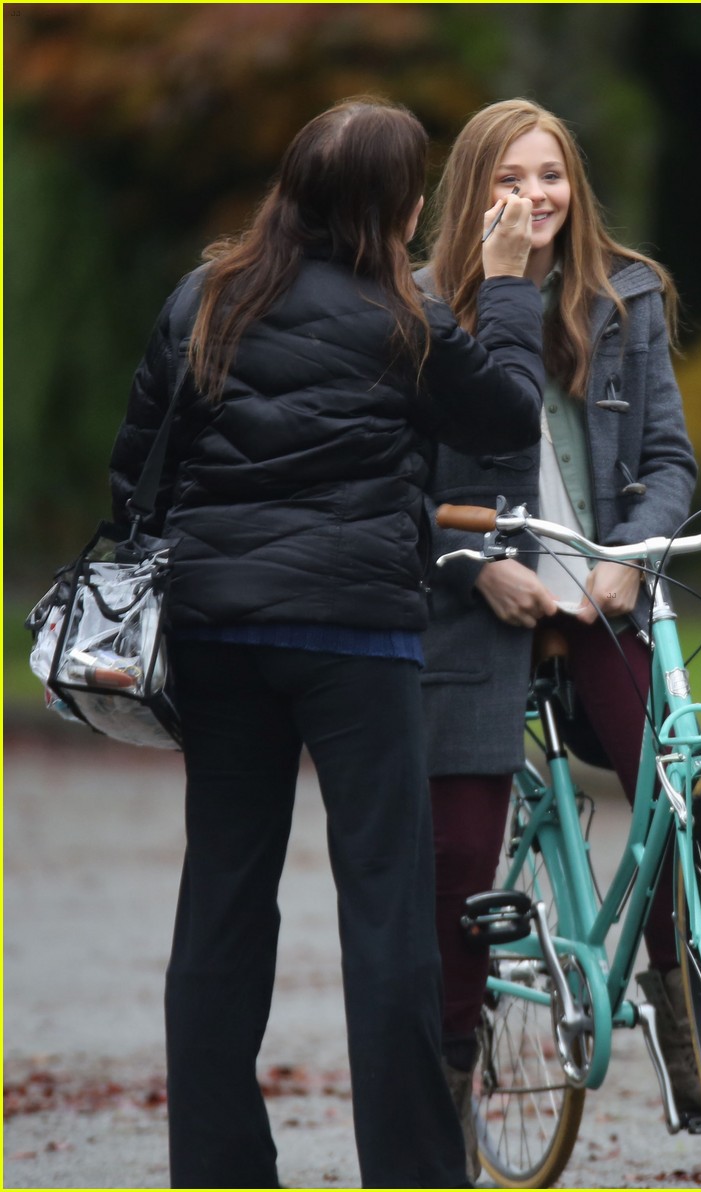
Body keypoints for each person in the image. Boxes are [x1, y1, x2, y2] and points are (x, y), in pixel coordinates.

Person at [108, 96, 544, 1189]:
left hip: (217, 633)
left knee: (222, 894)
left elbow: (137, 466)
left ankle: (216, 1170)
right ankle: (412, 1173)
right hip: (355, 636)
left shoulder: (202, 296)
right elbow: (507, 421)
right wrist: (507, 290)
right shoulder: (405, 314)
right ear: (391, 206)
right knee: (386, 906)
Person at [417, 98, 701, 1174]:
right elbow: (389, 487)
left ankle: (692, 1032)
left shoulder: (623, 295)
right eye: (509, 178)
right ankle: (449, 1086)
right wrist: (473, 562)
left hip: (602, 599)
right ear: (472, 193)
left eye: (550, 174)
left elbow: (672, 459)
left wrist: (629, 552)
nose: (534, 196)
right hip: (474, 610)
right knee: (457, 854)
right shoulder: (418, 311)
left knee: (674, 790)